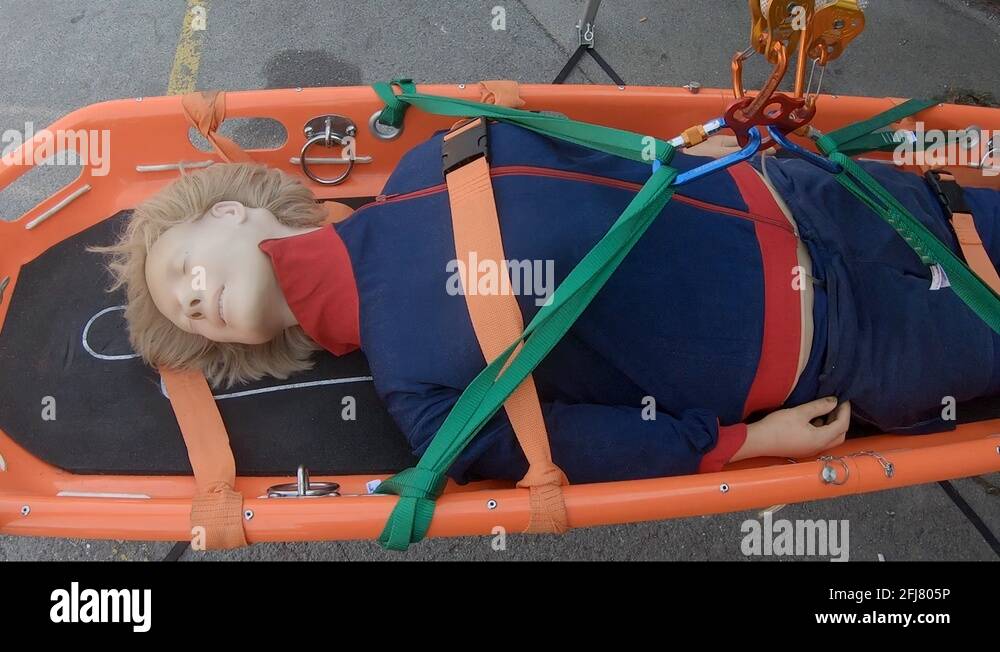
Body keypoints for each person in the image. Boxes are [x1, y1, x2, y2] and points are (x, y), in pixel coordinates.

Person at [95, 122, 1000, 484]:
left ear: (229, 208)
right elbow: (586, 443)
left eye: (180, 272)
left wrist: (733, 144)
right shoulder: (424, 406)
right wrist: (748, 443)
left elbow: (617, 155)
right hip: (850, 345)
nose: (193, 303)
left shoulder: (437, 162)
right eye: (189, 321)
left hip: (828, 197)